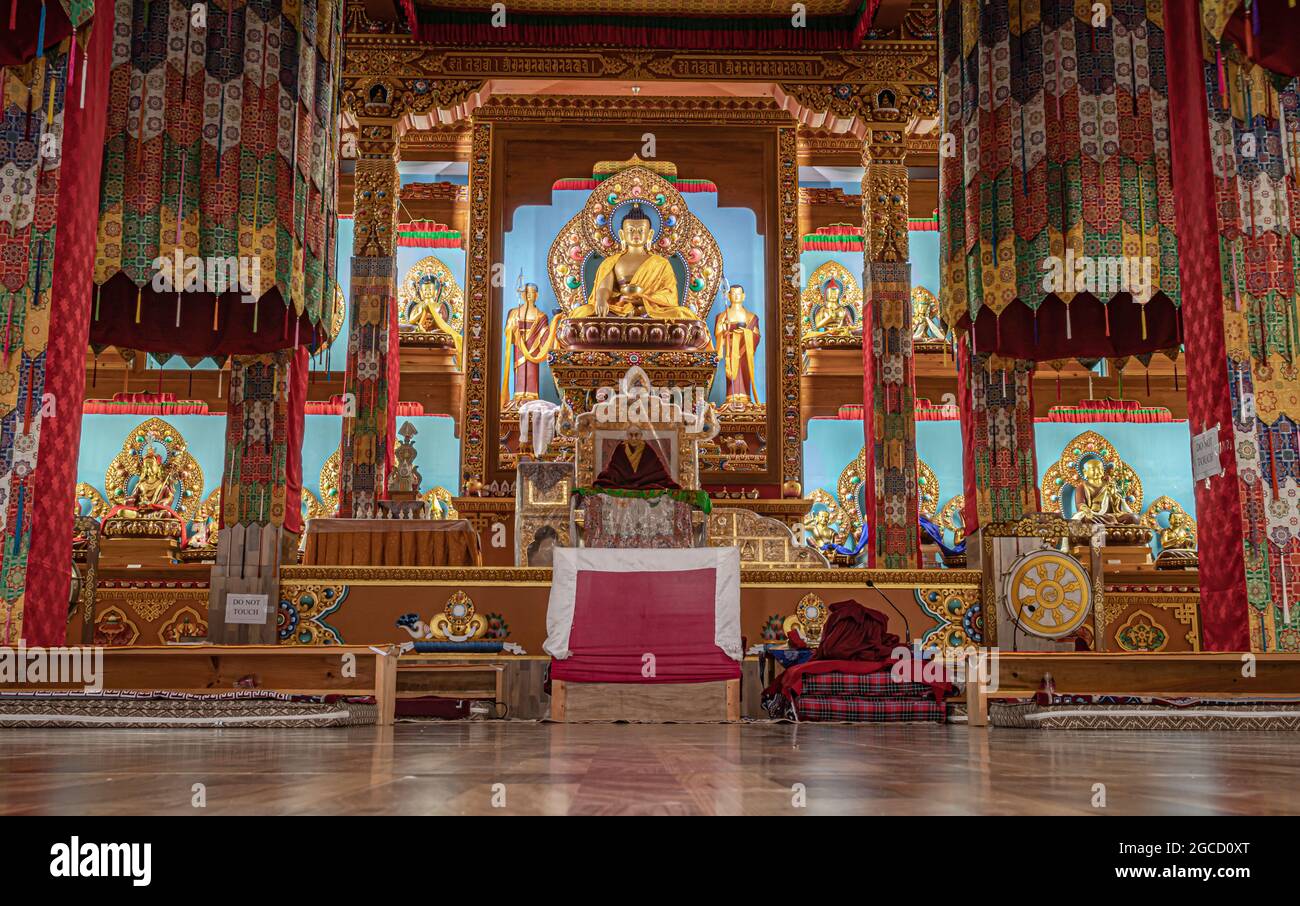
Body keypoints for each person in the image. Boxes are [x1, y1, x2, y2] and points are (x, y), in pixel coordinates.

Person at [593, 425, 680, 490]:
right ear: (627, 435)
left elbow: (657, 468)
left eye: (636, 435)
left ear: (641, 435)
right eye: (630, 435)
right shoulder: (620, 448)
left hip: (644, 482)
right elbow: (614, 467)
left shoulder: (647, 449)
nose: (633, 438)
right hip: (623, 481)